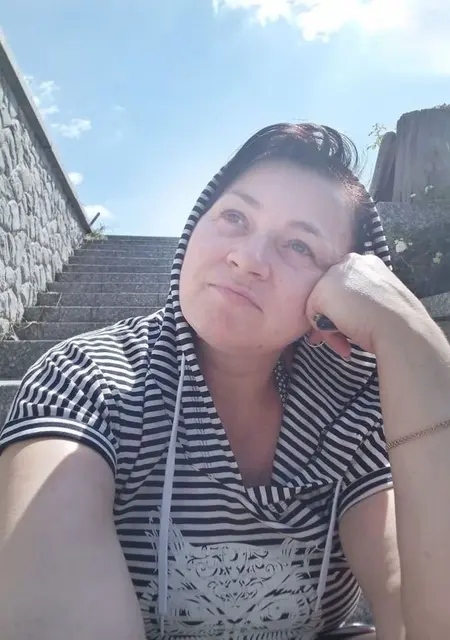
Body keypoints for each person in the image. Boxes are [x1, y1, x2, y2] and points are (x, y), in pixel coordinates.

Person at [0, 123, 449, 640]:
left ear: (338, 290)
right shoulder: (84, 381)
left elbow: (427, 622)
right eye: (235, 217)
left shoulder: (352, 413)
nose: (247, 259)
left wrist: (408, 335)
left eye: (299, 246)